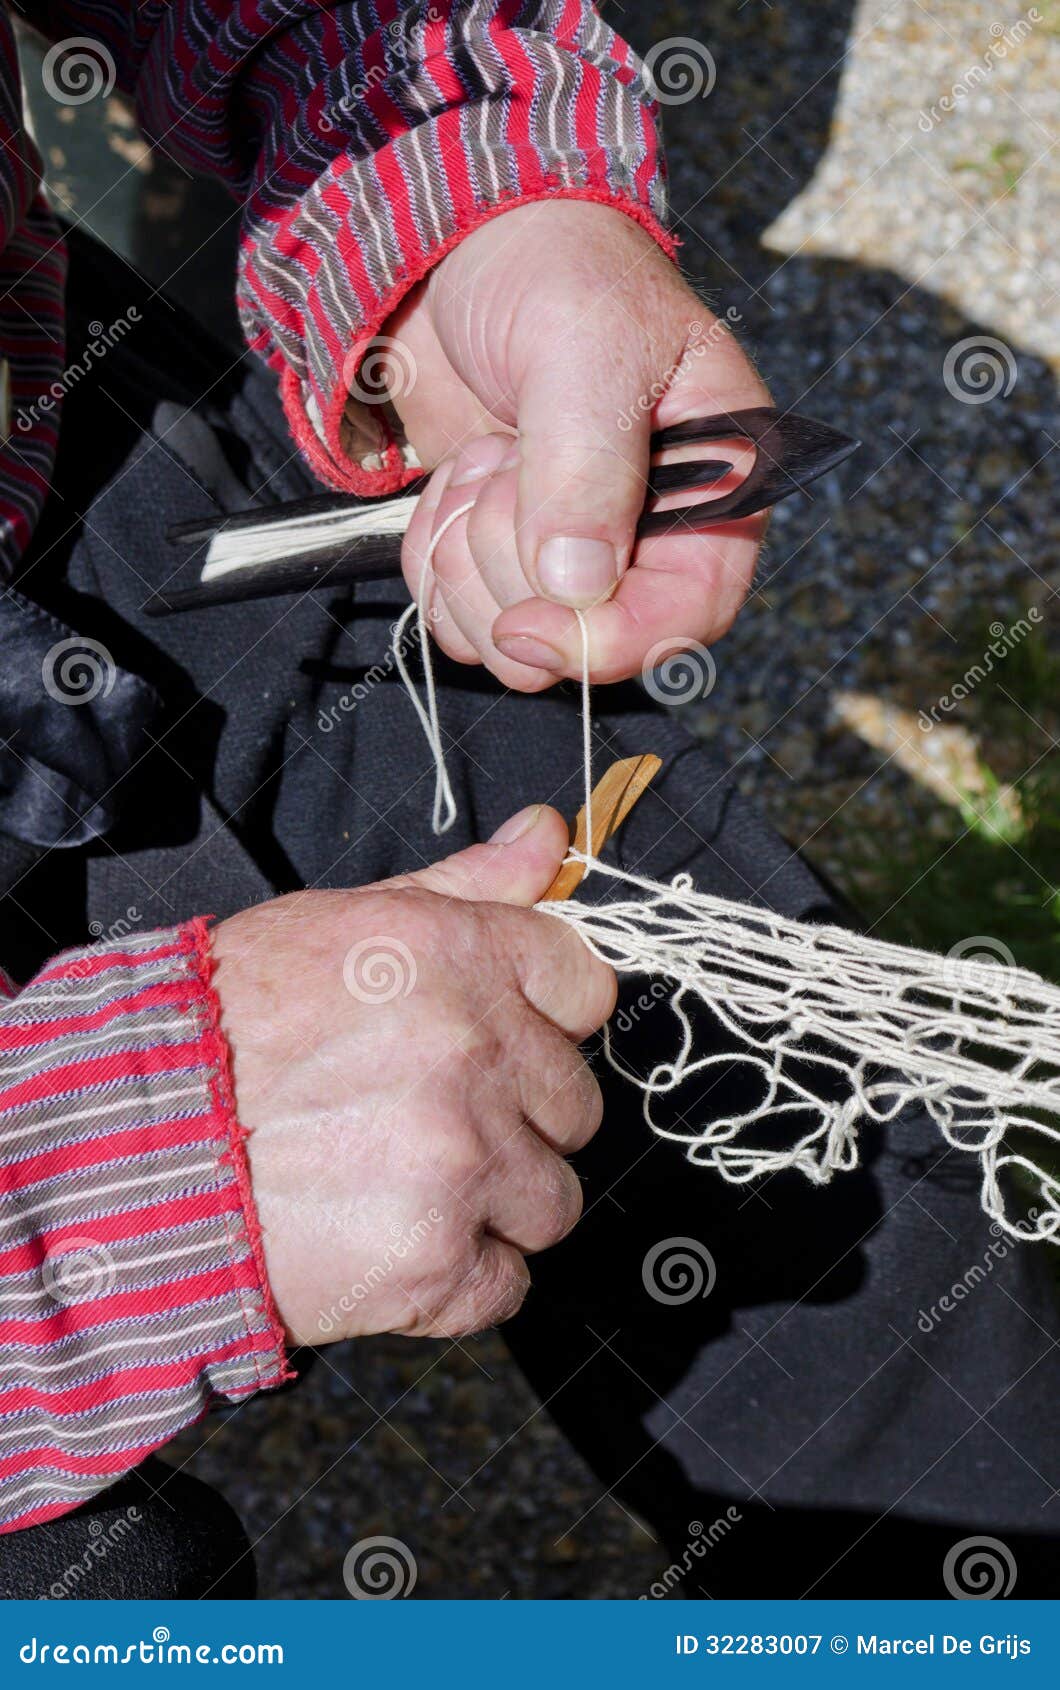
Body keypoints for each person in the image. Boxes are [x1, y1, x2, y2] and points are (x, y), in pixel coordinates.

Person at [0, 1, 1056, 1599]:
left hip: (78, 480)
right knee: (125, 1588)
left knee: (791, 1135)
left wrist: (456, 192)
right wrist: (90, 1175)